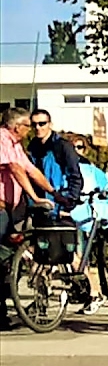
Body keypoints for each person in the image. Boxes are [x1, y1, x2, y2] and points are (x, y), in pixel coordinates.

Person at [0, 108, 55, 331]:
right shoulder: (2, 139)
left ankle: (1, 313)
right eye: (27, 126)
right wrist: (34, 196)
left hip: (11, 210)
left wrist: (53, 192)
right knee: (2, 256)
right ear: (16, 127)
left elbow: (30, 169)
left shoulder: (16, 145)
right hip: (0, 208)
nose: (30, 130)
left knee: (7, 260)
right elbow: (14, 168)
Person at [27, 109, 84, 270]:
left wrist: (69, 203)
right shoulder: (33, 147)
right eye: (34, 124)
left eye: (42, 123)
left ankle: (87, 283)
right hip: (41, 205)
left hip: (61, 205)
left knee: (68, 253)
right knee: (42, 252)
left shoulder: (62, 146)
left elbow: (75, 176)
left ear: (50, 124)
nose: (38, 128)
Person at [69, 134, 108, 315]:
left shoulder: (91, 170)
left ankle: (94, 293)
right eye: (72, 147)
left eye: (79, 147)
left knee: (78, 257)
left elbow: (107, 191)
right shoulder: (63, 167)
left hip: (85, 217)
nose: (76, 151)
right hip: (69, 215)